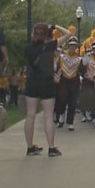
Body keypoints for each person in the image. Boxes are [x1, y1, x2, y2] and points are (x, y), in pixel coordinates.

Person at [24, 22, 72, 157]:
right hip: (47, 82)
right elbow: (68, 34)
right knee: (48, 115)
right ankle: (51, 148)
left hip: (32, 82)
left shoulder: (27, 49)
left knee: (30, 114)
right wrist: (55, 26)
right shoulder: (51, 45)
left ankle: (30, 147)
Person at [53, 36, 84, 130]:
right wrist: (56, 75)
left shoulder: (79, 59)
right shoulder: (62, 56)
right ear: (68, 46)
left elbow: (82, 71)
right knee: (62, 100)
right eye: (71, 46)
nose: (72, 48)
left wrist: (84, 65)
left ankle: (70, 122)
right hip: (63, 81)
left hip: (74, 82)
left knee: (73, 102)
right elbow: (57, 68)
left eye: (74, 46)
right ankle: (61, 116)